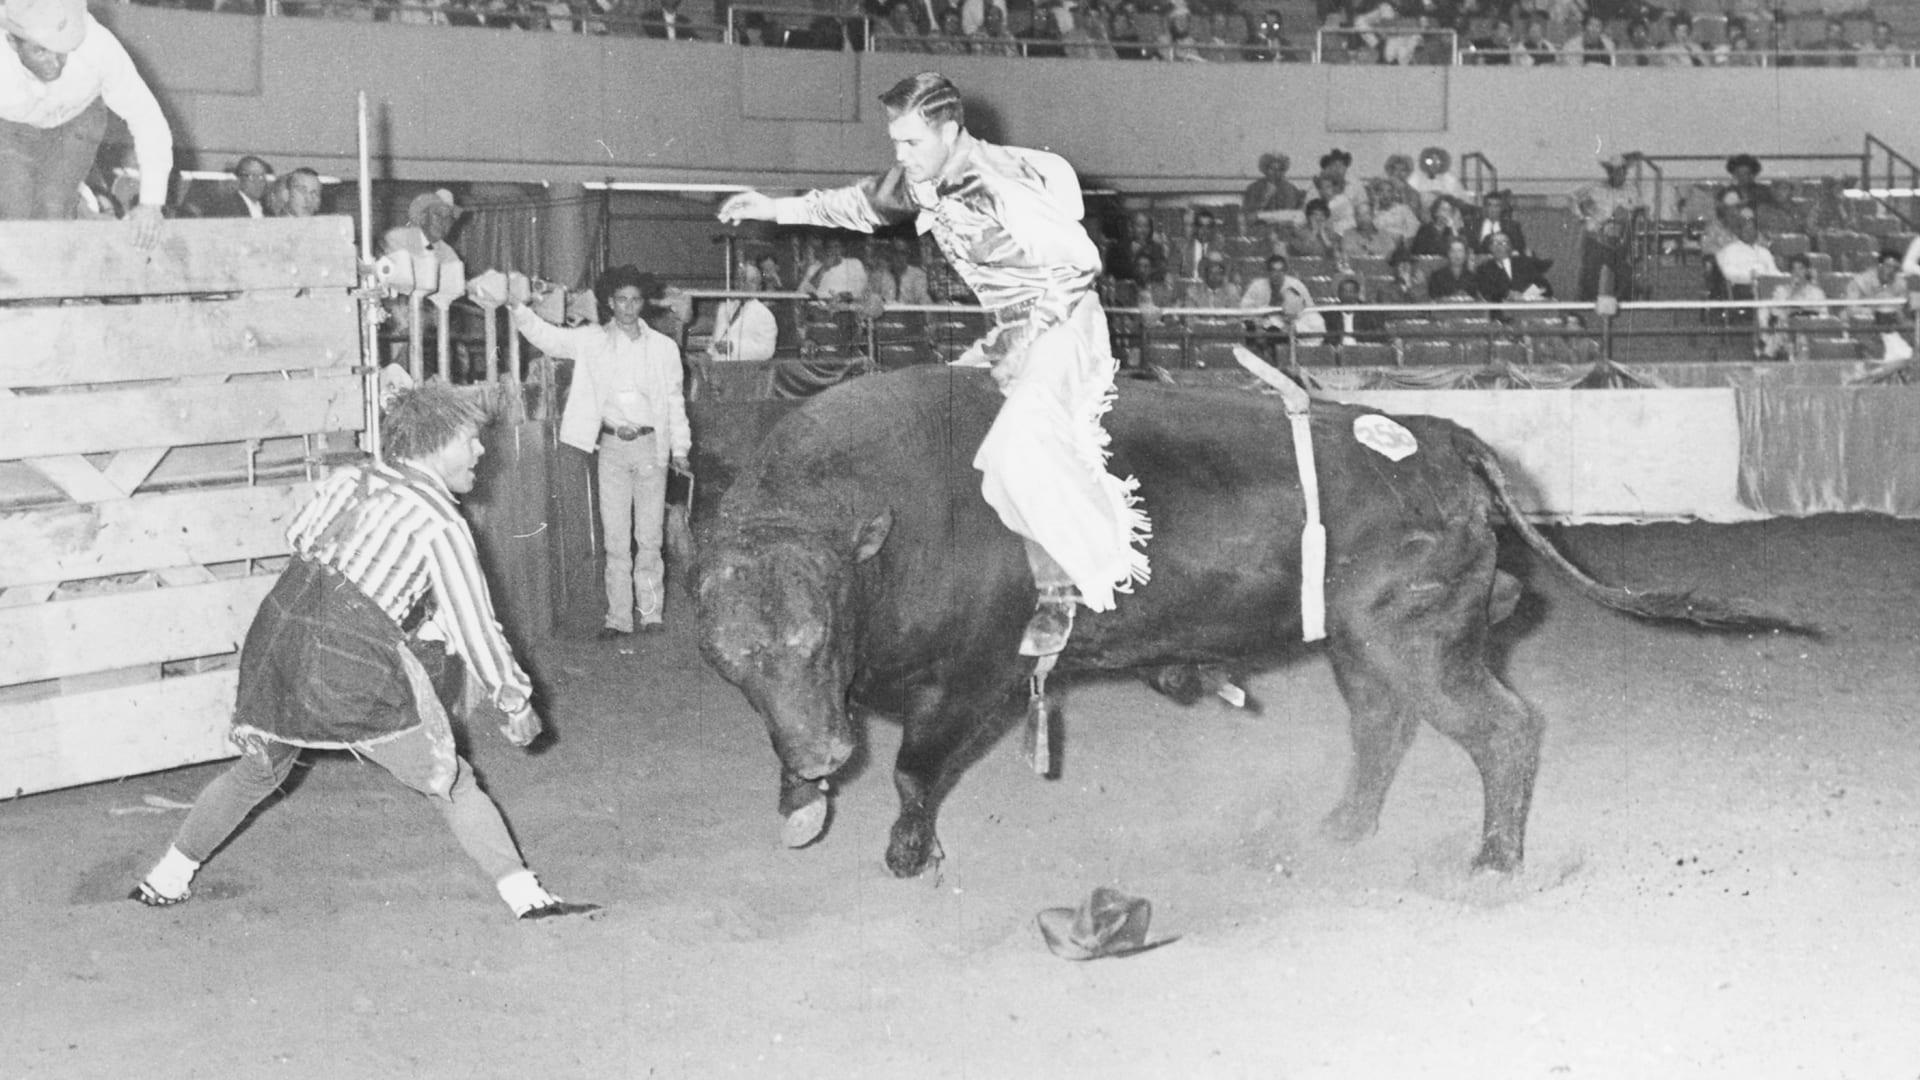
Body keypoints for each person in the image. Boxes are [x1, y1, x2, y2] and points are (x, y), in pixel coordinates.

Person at [717, 72, 1150, 659]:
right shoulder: (927, 175)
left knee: (1016, 448)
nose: (901, 155)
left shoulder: (996, 183)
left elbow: (1079, 264)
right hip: (1010, 327)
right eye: (895, 142)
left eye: (911, 142)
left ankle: (1075, 586)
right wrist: (777, 206)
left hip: (1063, 322)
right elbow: (863, 203)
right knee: (938, 418)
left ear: (948, 132)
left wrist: (1025, 341)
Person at [129, 384, 600, 921]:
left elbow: (299, 538)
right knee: (450, 781)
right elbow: (475, 626)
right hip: (344, 663)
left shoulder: (349, 479)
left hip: (278, 640)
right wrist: (513, 701)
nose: (480, 451)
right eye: (470, 440)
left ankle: (164, 878)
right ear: (437, 442)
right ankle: (526, 897)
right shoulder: (440, 523)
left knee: (259, 771)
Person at [506, 265, 691, 637]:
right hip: (611, 448)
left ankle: (650, 613)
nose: (628, 307)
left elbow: (675, 401)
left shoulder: (664, 348)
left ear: (643, 302)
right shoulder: (592, 340)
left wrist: (680, 448)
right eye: (621, 300)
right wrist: (518, 308)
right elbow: (550, 339)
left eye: (635, 300)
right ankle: (619, 618)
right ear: (610, 302)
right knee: (616, 539)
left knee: (650, 538)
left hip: (651, 449)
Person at [0, 0, 169, 245]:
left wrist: (151, 203)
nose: (55, 64)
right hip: (10, 127)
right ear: (12, 42)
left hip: (79, 119)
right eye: (41, 52)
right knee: (14, 210)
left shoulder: (98, 45)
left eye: (61, 51)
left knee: (53, 210)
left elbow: (147, 118)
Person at [1571, 154, 1642, 301]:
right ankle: (1584, 307)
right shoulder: (1594, 187)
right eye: (1615, 171)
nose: (1619, 175)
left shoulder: (1631, 190)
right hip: (1594, 238)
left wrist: (1624, 216)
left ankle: (1622, 306)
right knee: (1590, 276)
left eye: (1622, 171)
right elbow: (1572, 198)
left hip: (1616, 239)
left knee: (1624, 274)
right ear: (1609, 172)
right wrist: (1583, 216)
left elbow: (1632, 211)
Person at [709, 258, 778, 362]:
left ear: (759, 287)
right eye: (741, 279)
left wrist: (733, 347)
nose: (745, 285)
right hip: (717, 366)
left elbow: (767, 350)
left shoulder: (764, 315)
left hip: (743, 368)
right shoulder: (724, 307)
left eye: (752, 281)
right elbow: (715, 340)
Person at [1472, 231, 1553, 304]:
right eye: (1495, 243)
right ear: (1490, 247)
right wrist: (1507, 294)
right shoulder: (1483, 269)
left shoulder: (1525, 264)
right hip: (1501, 312)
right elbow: (1486, 292)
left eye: (1504, 243)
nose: (1499, 246)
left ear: (1510, 246)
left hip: (1528, 309)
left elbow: (1546, 288)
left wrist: (1528, 296)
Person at [196, 155, 273, 218]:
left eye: (261, 177)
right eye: (252, 177)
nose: (258, 182)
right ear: (239, 180)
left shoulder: (266, 209)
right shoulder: (226, 208)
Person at [1242, 152, 1303, 216]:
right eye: (1272, 168)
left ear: (1283, 171)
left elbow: (1292, 211)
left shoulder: (1290, 188)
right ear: (1265, 169)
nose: (1275, 172)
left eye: (1279, 169)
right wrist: (1265, 197)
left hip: (1283, 221)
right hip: (1260, 221)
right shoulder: (1254, 188)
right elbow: (1248, 211)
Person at [1427, 236, 1483, 301]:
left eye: (1460, 251)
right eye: (1453, 251)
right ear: (1448, 253)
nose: (1457, 255)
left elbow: (1478, 299)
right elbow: (1433, 299)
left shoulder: (1473, 277)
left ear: (1465, 254)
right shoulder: (1436, 276)